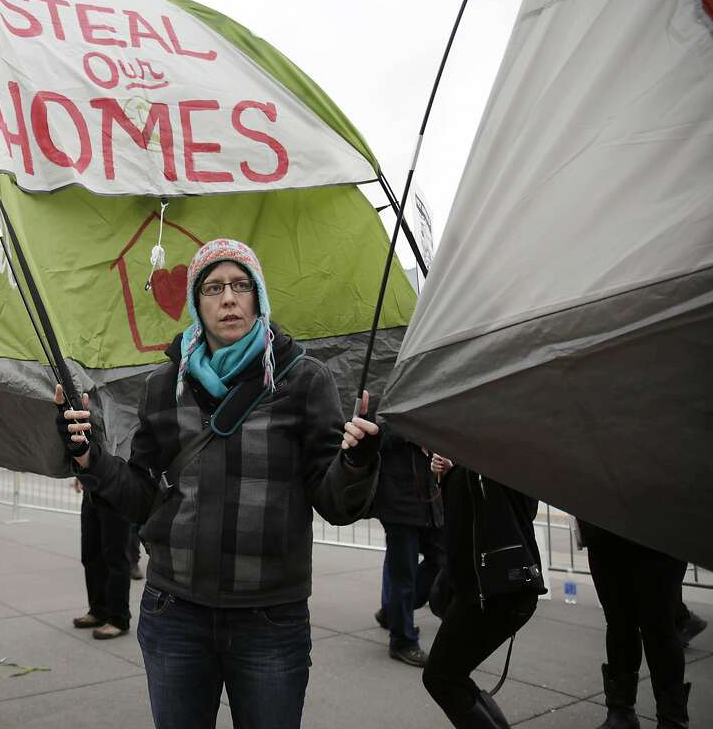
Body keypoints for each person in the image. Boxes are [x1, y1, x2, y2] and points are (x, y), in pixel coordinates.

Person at [54, 238, 381, 729]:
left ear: (259, 296)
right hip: (174, 614)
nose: (228, 298)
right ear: (196, 302)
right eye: (213, 287)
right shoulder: (163, 386)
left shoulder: (303, 380)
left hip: (270, 618)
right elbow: (142, 496)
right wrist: (88, 456)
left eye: (240, 285)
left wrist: (357, 462)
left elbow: (335, 503)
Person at [423, 454, 546, 728]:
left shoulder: (497, 453)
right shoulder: (478, 457)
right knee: (448, 676)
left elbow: (501, 504)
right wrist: (450, 472)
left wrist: (458, 468)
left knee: (443, 677)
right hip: (487, 587)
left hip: (497, 590)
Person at [580, 521, 691, 728]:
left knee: (658, 624)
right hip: (605, 529)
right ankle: (621, 712)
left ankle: (672, 719)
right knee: (618, 623)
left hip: (659, 530)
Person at [371, 430, 445, 667]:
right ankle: (402, 641)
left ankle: (393, 612)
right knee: (404, 574)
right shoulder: (389, 409)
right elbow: (375, 439)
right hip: (398, 501)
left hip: (425, 500)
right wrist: (410, 432)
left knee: (441, 559)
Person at [72, 477, 134, 639]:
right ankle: (98, 611)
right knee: (90, 554)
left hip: (116, 486)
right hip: (92, 487)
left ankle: (119, 619)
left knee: (115, 556)